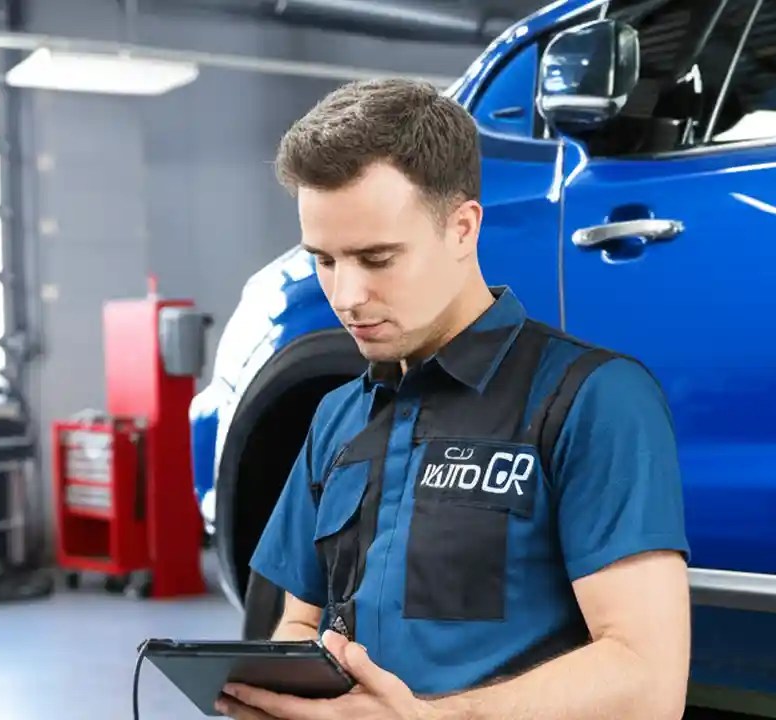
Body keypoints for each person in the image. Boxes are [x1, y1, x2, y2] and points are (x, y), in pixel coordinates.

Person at [217, 77, 691, 720]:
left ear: (463, 228)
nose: (347, 295)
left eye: (377, 258)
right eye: (324, 261)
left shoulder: (594, 400)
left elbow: (648, 682)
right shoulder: (336, 418)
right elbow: (296, 627)